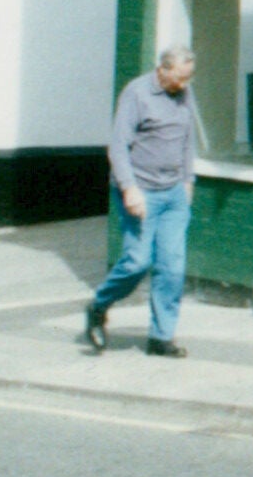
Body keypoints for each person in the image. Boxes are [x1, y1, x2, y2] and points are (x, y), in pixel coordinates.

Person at [84, 45, 198, 359]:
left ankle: (161, 338)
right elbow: (118, 147)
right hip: (141, 192)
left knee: (172, 267)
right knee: (137, 262)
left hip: (174, 193)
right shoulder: (136, 94)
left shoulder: (184, 93)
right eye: (180, 78)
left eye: (189, 78)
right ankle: (98, 306)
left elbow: (187, 138)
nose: (185, 85)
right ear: (162, 70)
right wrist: (129, 189)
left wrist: (188, 180)